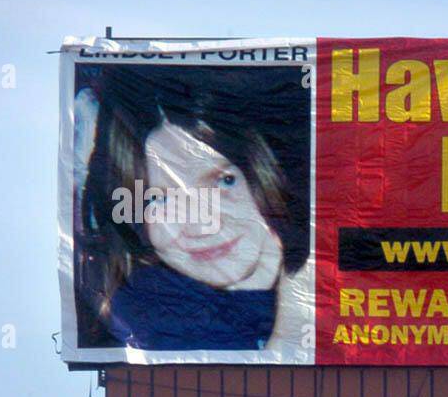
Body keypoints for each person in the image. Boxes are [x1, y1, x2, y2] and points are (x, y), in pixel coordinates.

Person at [76, 65, 309, 351]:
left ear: (267, 171)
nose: (199, 225)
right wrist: (289, 323)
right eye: (157, 200)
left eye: (224, 182)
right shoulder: (148, 317)